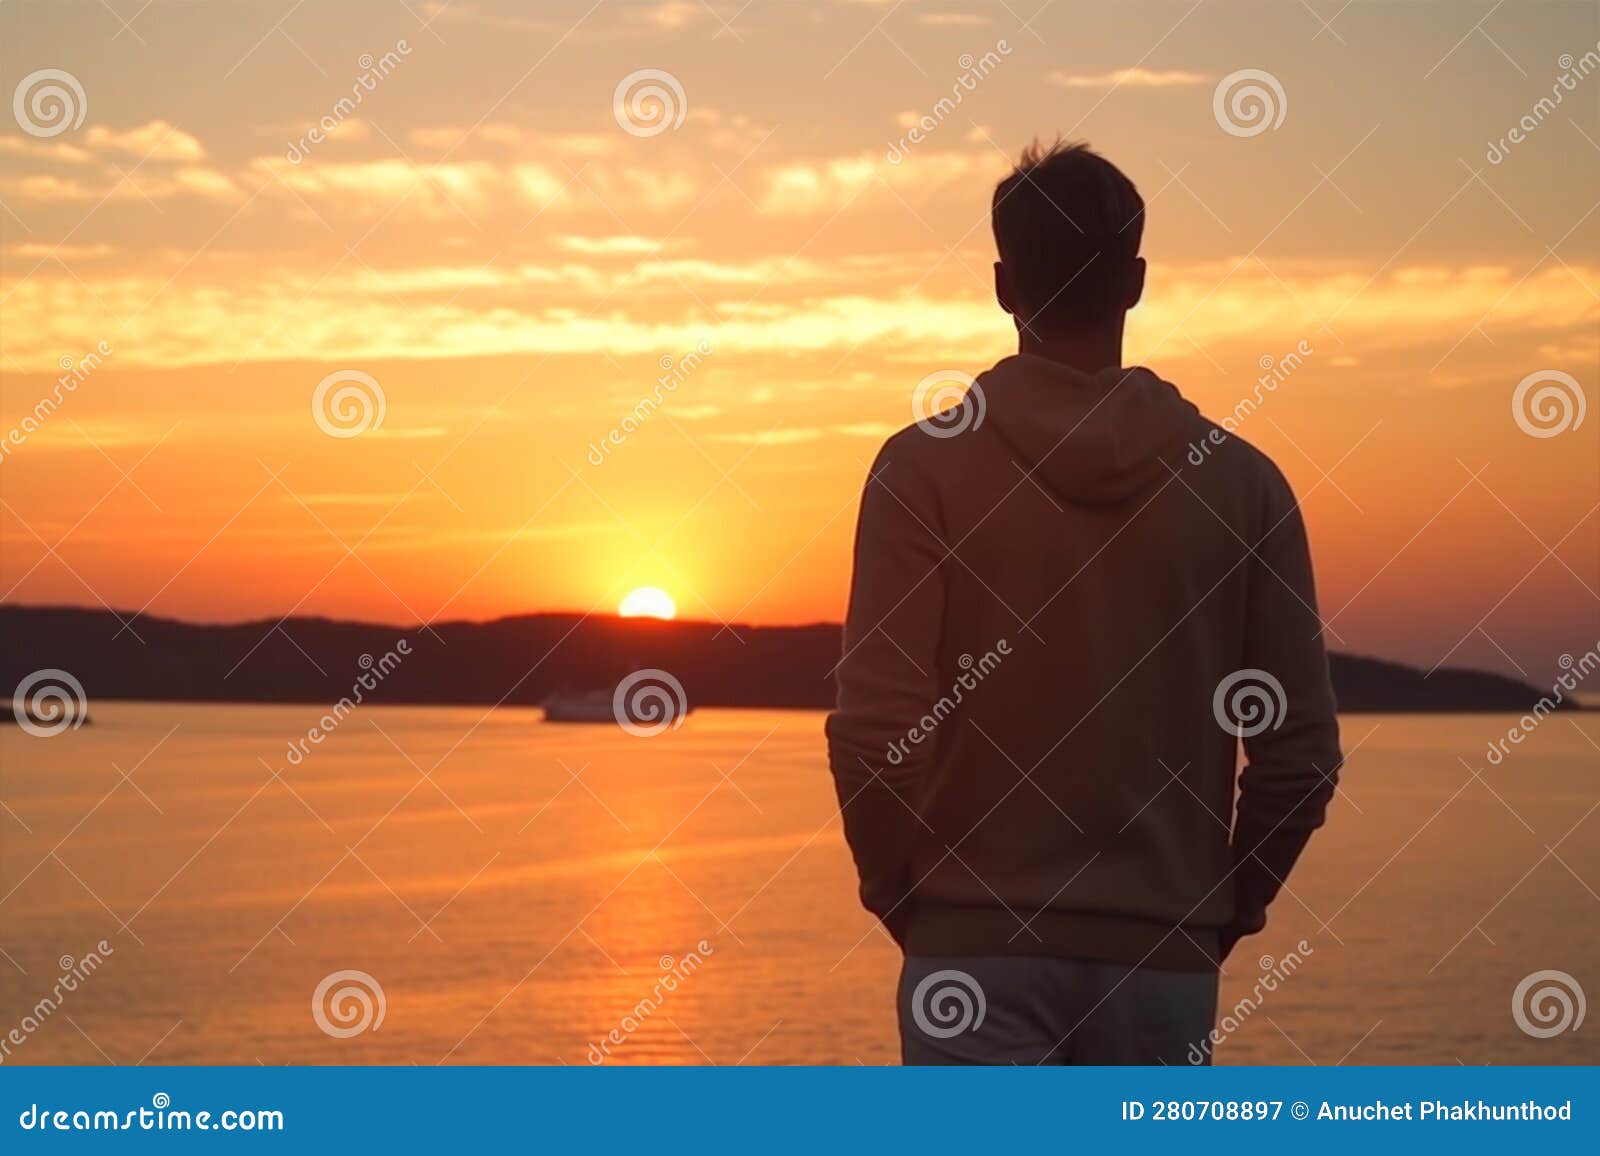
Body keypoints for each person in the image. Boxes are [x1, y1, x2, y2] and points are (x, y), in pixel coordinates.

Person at [825, 140, 1343, 1065]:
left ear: (1001, 283)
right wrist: (1217, 914)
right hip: (1161, 969)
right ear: (1135, 282)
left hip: (970, 959)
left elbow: (874, 735)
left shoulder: (922, 469)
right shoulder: (1242, 486)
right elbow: (1298, 760)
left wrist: (902, 896)